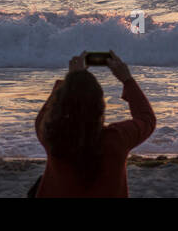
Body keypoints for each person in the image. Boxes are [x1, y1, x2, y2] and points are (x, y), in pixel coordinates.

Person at [33, 51, 155, 197]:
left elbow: (46, 116)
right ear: (100, 105)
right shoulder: (116, 139)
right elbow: (146, 118)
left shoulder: (52, 136)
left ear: (62, 102)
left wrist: (71, 80)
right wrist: (127, 80)